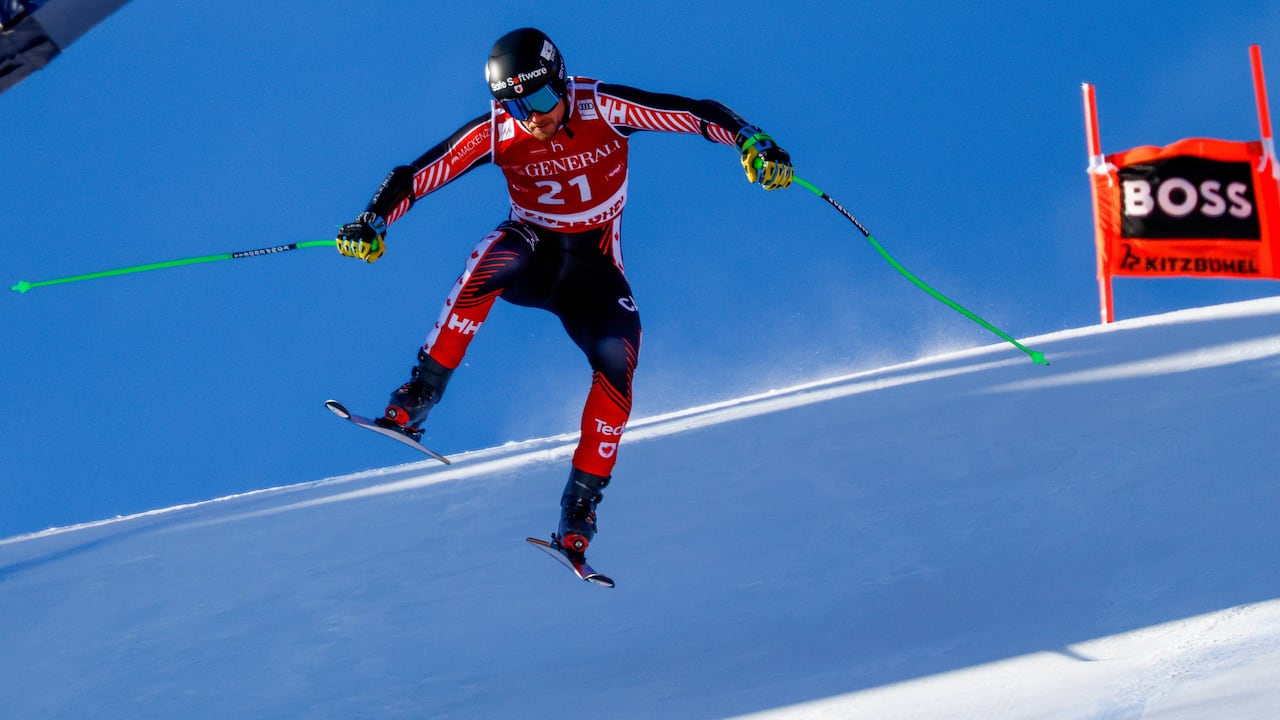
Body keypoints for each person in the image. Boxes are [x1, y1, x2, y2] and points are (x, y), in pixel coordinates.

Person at [335, 27, 793, 556]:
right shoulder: (499, 131)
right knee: (495, 255)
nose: (532, 116)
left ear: (561, 82)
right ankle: (420, 394)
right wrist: (373, 219)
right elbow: (415, 176)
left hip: (595, 274)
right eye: (515, 106)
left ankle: (580, 508)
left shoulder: (602, 106)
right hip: (535, 254)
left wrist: (752, 140)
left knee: (620, 359)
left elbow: (693, 112)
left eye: (540, 99)